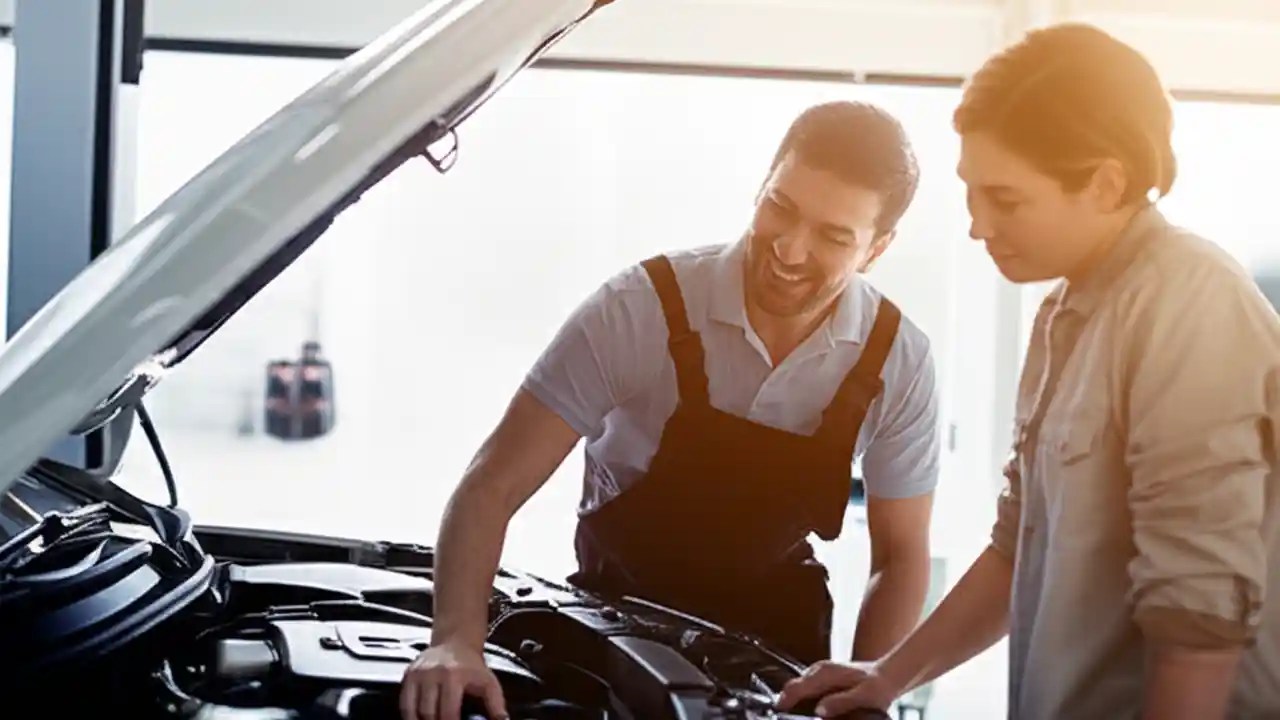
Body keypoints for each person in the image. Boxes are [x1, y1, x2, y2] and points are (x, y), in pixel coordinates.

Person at [777, 22, 1280, 720]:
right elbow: (1018, 543)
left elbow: (1197, 611)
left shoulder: (1190, 304)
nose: (978, 225)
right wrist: (886, 675)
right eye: (971, 192)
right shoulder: (1061, 315)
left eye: (1005, 199)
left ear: (1106, 184)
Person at [399, 101, 943, 720]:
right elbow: (491, 485)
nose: (790, 250)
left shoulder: (896, 359)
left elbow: (900, 556)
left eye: (833, 236)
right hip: (612, 636)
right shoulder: (639, 310)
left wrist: (867, 691)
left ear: (876, 249)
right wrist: (455, 641)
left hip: (775, 656)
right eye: (780, 207)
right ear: (762, 184)